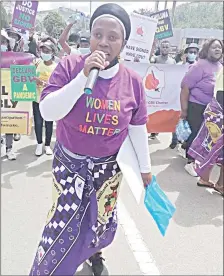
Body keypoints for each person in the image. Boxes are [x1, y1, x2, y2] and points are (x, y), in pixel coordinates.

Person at [29, 3, 152, 275]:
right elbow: (48, 111)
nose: (104, 42)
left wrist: (145, 168)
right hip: (70, 167)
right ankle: (55, 266)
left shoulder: (132, 81)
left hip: (107, 170)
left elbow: (137, 127)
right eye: (98, 35)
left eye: (113, 37)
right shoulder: (71, 65)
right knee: (62, 224)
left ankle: (95, 255)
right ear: (89, 37)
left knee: (101, 219)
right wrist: (82, 77)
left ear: (124, 43)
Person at [180, 39, 223, 176]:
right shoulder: (199, 66)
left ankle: (192, 152)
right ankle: (190, 162)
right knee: (196, 133)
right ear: (207, 49)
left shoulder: (220, 66)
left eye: (219, 48)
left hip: (213, 108)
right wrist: (184, 110)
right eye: (214, 47)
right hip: (196, 105)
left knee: (206, 136)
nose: (217, 50)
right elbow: (185, 87)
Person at [188, 67, 223, 196]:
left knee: (211, 147)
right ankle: (219, 184)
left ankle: (206, 179)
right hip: (219, 112)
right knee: (216, 149)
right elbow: (221, 94)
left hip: (216, 112)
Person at [170, 43, 200, 149]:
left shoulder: (198, 67)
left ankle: (186, 143)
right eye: (190, 52)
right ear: (186, 53)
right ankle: (174, 140)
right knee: (176, 118)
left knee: (189, 122)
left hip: (192, 100)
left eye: (194, 52)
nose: (192, 54)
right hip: (177, 97)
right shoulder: (179, 66)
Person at [33, 37, 57, 156]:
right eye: (43, 51)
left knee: (48, 123)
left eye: (47, 51)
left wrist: (43, 83)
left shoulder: (56, 67)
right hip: (37, 98)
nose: (45, 54)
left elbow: (58, 84)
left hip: (50, 100)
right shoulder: (36, 63)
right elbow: (28, 76)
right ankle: (39, 144)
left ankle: (47, 145)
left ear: (52, 53)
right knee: (38, 122)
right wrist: (33, 79)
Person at [1, 29, 21, 160]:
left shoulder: (13, 57)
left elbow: (21, 71)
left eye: (3, 41)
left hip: (8, 93)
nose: (1, 43)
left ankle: (9, 149)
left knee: (9, 121)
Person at [149, 40, 176, 140]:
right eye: (163, 47)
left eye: (166, 47)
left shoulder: (172, 61)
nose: (164, 49)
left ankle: (157, 129)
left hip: (166, 89)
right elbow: (149, 65)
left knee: (161, 111)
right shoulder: (155, 59)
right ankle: (152, 130)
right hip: (155, 88)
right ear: (160, 48)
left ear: (170, 49)